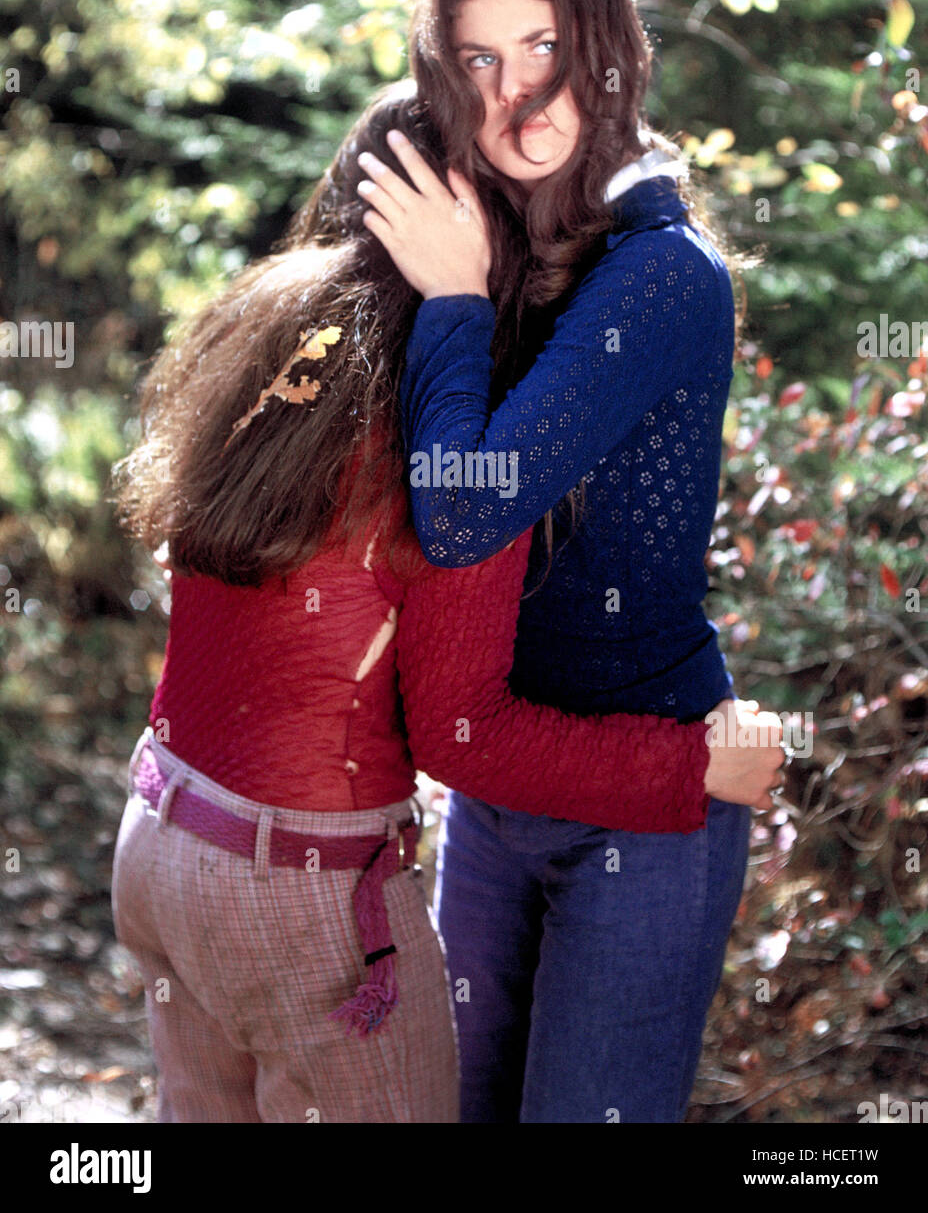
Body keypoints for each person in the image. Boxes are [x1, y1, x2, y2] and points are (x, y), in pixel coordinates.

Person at [110, 85, 780, 1124]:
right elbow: (466, 741)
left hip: (162, 835)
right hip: (294, 897)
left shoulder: (271, 318)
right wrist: (694, 768)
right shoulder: (454, 440)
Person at [358, 0, 784, 1123]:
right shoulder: (506, 233)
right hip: (498, 781)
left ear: (605, 47)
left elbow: (463, 517)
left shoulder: (659, 271)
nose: (517, 98)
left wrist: (450, 300)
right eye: (479, 61)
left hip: (649, 796)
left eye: (542, 46)